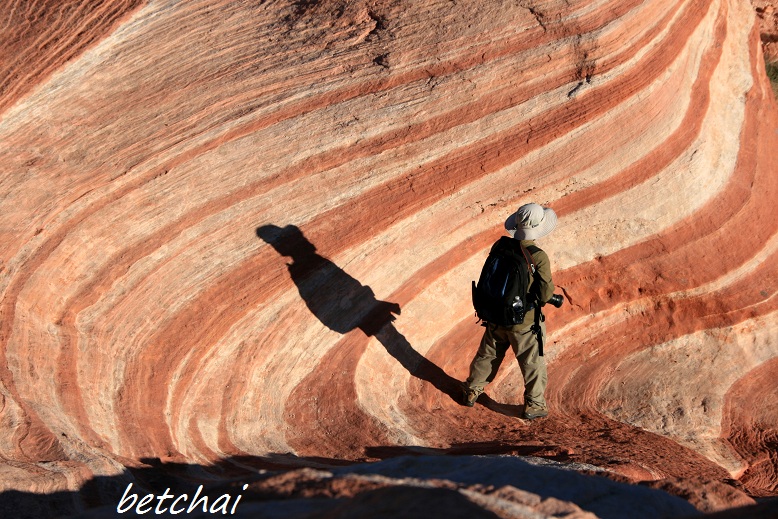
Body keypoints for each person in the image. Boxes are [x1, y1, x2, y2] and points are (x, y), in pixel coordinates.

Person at [462, 203, 558, 419]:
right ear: (538, 227)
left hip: (495, 314)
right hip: (524, 322)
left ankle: (471, 391)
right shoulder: (537, 256)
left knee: (487, 355)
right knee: (532, 361)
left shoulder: (500, 246)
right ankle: (535, 406)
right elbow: (544, 294)